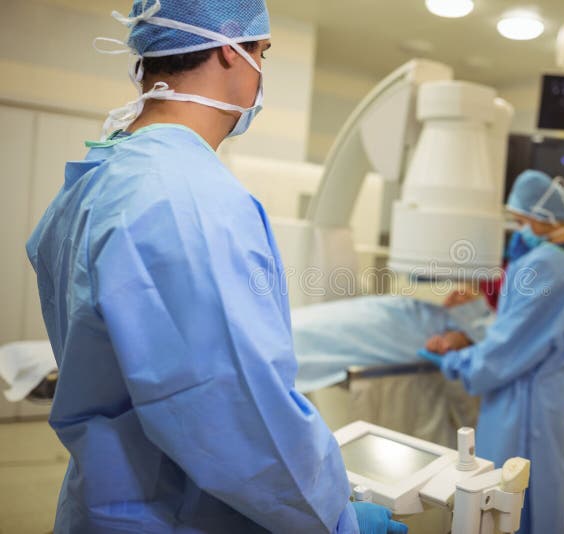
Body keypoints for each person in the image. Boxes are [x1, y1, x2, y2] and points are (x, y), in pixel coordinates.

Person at [25, 1, 405, 532]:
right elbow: (238, 413)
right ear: (231, 51)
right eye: (261, 53)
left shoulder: (95, 179)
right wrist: (332, 516)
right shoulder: (188, 199)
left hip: (103, 505)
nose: (260, 74)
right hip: (180, 513)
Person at [422, 170, 564, 534]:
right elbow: (519, 330)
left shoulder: (546, 266)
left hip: (526, 400)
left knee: (509, 487)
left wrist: (456, 361)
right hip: (550, 392)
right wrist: (474, 314)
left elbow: (505, 352)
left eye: (521, 221)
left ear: (542, 219)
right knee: (544, 480)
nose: (519, 231)